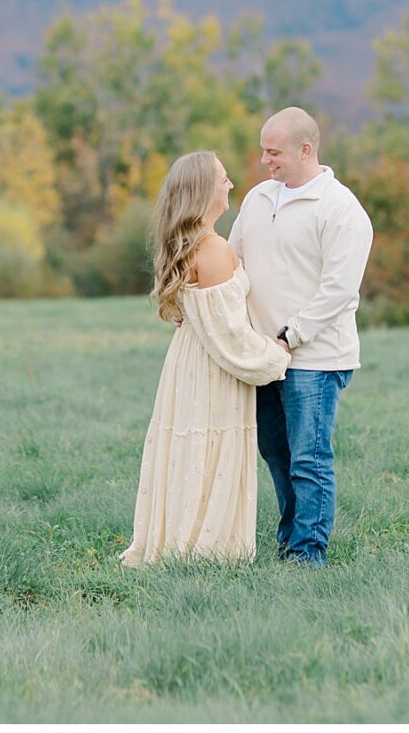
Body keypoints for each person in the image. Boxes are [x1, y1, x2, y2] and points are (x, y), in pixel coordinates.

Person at [120, 150, 291, 567]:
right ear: (202, 190)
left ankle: (182, 539)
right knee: (206, 446)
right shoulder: (211, 249)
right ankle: (206, 548)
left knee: (194, 446)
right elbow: (230, 338)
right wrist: (278, 353)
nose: (230, 184)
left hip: (192, 360)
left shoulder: (197, 244)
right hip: (211, 369)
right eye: (223, 178)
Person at [229, 107, 373, 567]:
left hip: (314, 358)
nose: (265, 160)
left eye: (274, 152)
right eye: (263, 151)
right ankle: (290, 538)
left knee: (308, 458)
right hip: (261, 355)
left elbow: (339, 289)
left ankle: (308, 554)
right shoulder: (257, 199)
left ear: (305, 150)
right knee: (275, 451)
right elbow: (233, 263)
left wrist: (290, 337)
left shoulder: (341, 209)